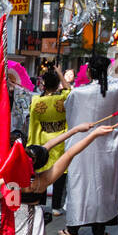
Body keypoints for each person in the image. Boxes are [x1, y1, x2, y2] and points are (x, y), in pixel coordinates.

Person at [61, 73, 118, 235]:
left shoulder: (80, 92)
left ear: (90, 71)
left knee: (79, 184)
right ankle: (99, 230)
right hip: (106, 144)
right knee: (103, 186)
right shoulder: (116, 89)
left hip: (82, 144)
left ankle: (73, 228)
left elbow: (71, 113)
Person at [27, 70, 73, 214]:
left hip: (44, 139)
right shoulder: (64, 98)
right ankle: (56, 205)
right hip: (61, 137)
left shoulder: (37, 101)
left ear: (44, 85)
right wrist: (60, 73)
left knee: (42, 169)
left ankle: (40, 201)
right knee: (61, 170)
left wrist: (32, 144)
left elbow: (33, 124)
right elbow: (69, 90)